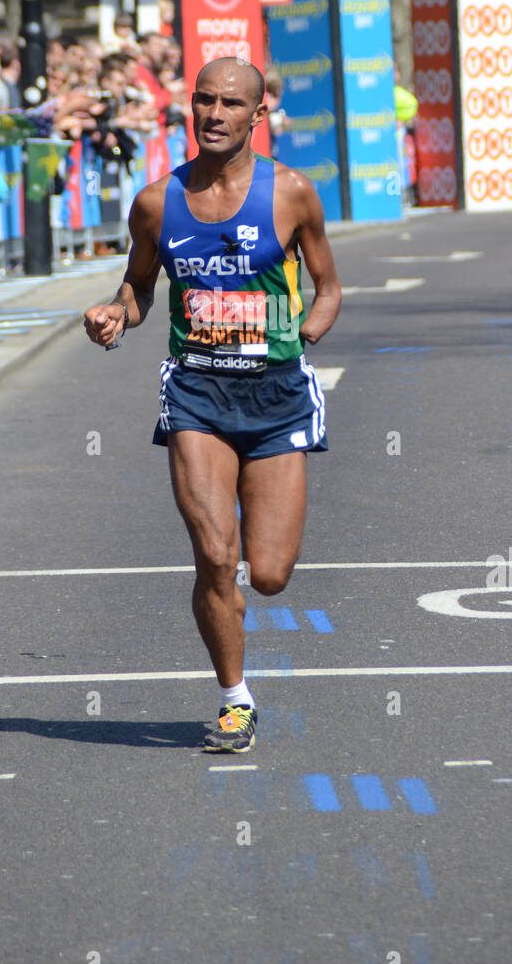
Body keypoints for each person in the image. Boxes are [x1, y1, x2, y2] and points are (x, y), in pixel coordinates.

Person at [84, 57, 342, 753]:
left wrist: (306, 332)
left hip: (276, 394)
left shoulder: (290, 193)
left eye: (231, 103)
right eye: (204, 100)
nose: (215, 113)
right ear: (189, 108)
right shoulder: (153, 203)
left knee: (268, 575)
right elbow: (136, 287)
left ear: (257, 115)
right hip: (196, 391)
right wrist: (115, 314)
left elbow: (327, 287)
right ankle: (234, 700)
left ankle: (241, 654)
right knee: (213, 555)